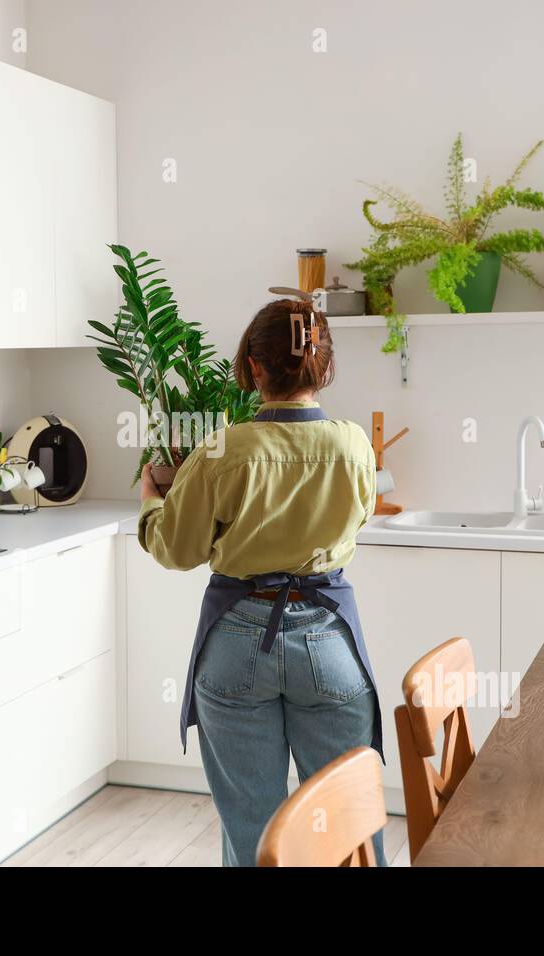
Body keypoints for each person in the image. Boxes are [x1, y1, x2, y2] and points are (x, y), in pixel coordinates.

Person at [137, 298, 384, 866]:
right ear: (324, 368)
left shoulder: (223, 451)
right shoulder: (353, 446)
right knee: (349, 828)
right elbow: (361, 514)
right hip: (329, 643)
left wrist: (152, 500)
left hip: (235, 646)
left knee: (256, 831)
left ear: (252, 368)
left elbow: (176, 550)